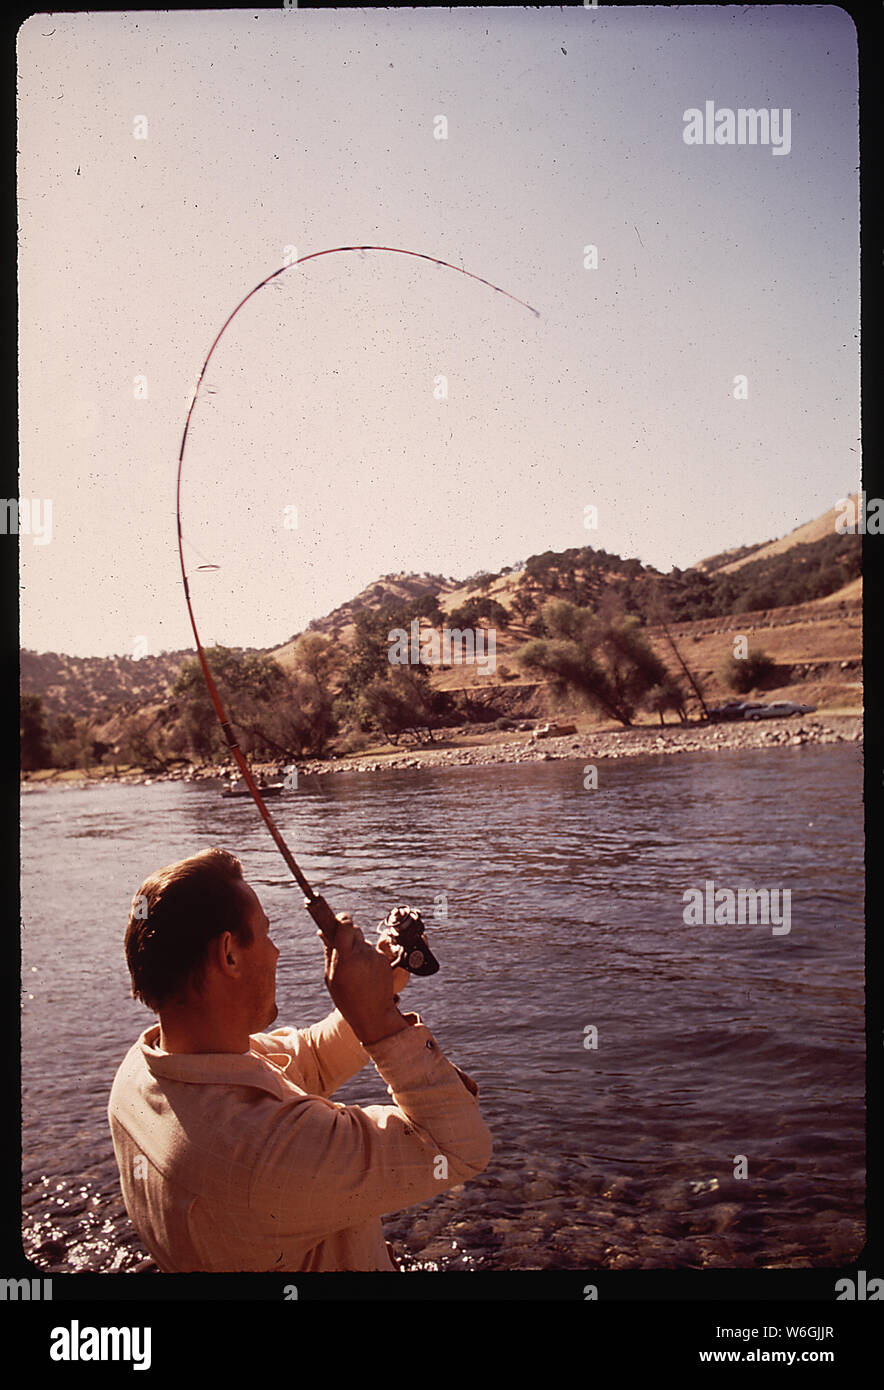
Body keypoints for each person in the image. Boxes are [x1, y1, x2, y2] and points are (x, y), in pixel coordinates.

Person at [108, 848, 491, 1272]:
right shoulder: (267, 1152)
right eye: (267, 934)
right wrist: (380, 1020)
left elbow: (307, 1062)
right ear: (229, 954)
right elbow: (456, 1149)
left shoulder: (143, 1073)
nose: (276, 952)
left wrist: (381, 984)